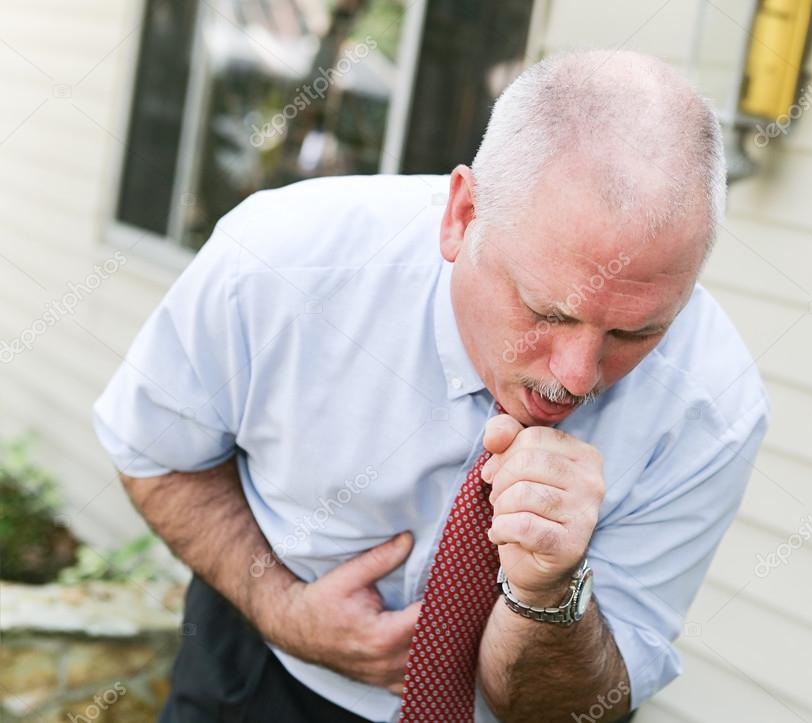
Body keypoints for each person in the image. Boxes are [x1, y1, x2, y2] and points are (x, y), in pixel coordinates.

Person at [93, 49, 769, 722]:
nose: (575, 374)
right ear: (462, 214)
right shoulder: (280, 264)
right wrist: (282, 608)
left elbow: (576, 707)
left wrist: (549, 590)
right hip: (257, 673)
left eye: (635, 333)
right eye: (547, 311)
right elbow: (156, 452)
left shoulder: (713, 407)